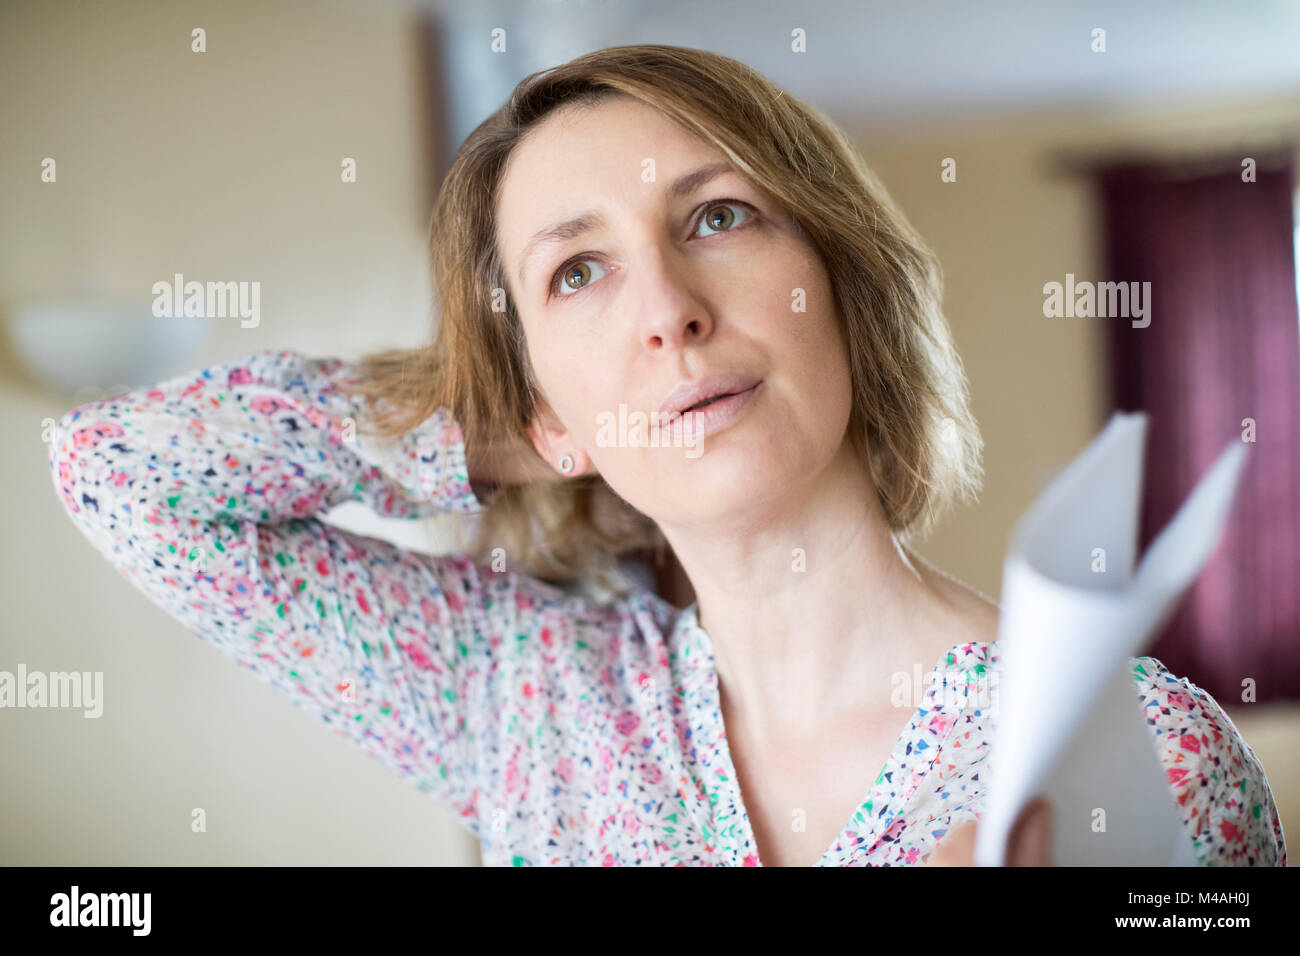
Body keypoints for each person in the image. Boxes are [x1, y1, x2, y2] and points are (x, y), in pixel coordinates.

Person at [48, 44, 1285, 867]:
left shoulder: (1151, 757)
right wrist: (512, 416)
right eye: (575, 270)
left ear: (840, 288)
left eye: (717, 215)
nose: (669, 309)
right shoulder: (520, 697)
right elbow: (120, 472)